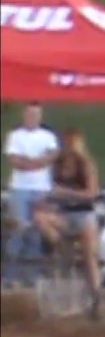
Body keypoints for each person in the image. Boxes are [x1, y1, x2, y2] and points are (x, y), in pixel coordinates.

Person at [30, 128, 103, 319]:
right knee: (40, 217)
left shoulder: (86, 164)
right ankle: (59, 245)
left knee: (89, 257)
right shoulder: (58, 165)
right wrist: (47, 200)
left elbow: (92, 193)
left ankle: (96, 297)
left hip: (84, 214)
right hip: (64, 213)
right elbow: (53, 190)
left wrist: (68, 194)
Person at [3, 104, 59, 288]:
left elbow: (52, 156)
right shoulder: (15, 136)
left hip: (41, 188)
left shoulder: (48, 136)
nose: (32, 117)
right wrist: (36, 163)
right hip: (19, 187)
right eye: (29, 113)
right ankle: (10, 276)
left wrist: (33, 162)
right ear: (24, 114)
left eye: (35, 114)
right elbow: (14, 160)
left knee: (35, 232)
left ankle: (31, 276)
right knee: (18, 230)